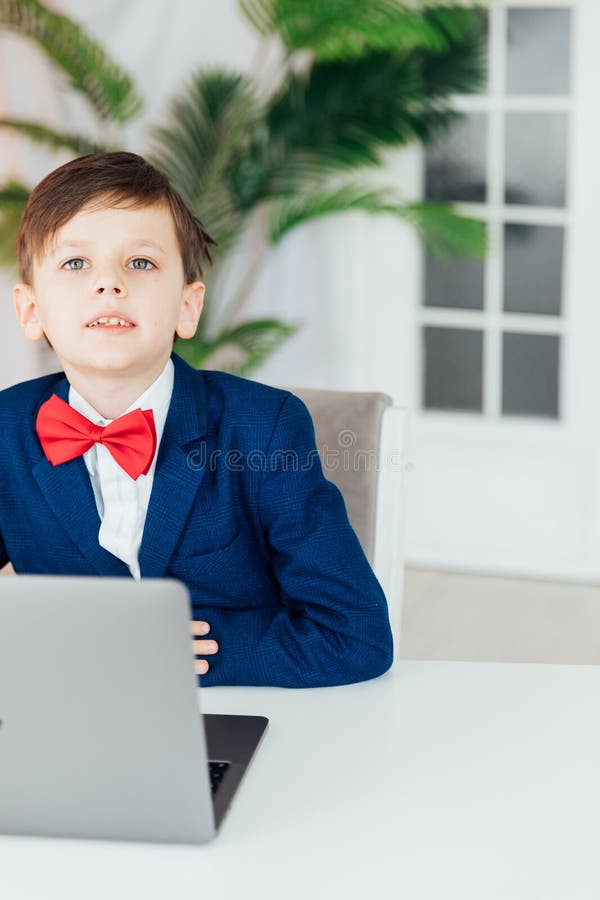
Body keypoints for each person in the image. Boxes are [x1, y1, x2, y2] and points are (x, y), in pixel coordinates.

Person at [1, 151, 393, 687]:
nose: (109, 284)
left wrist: (201, 651)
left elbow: (357, 636)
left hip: (232, 715)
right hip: (67, 717)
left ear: (188, 307)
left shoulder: (265, 427)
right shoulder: (5, 431)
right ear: (30, 310)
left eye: (140, 263)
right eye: (76, 264)